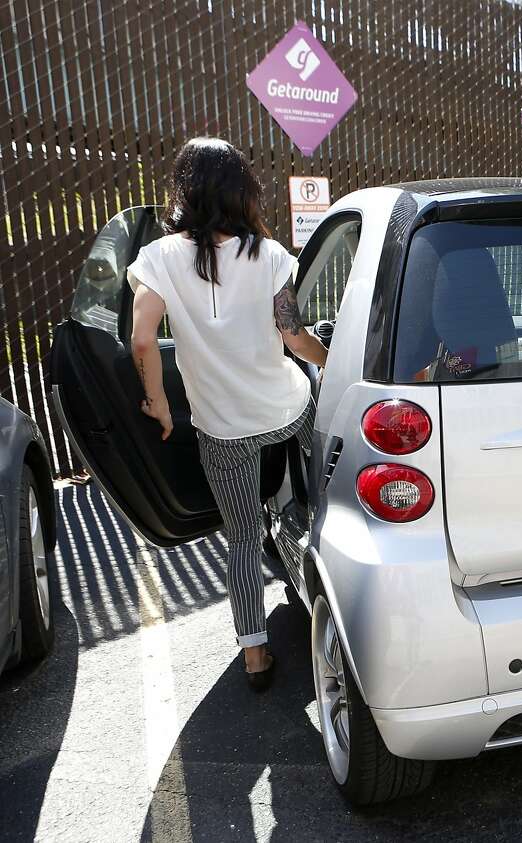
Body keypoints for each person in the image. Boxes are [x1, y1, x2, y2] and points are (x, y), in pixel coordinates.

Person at [128, 137, 328, 691]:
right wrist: (335, 363)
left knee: (241, 535)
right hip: (286, 409)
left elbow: (143, 340)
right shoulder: (269, 257)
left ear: (184, 192)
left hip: (220, 426)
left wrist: (160, 401)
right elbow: (294, 336)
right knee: (319, 494)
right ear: (244, 193)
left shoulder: (161, 259)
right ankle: (317, 575)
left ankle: (255, 655)